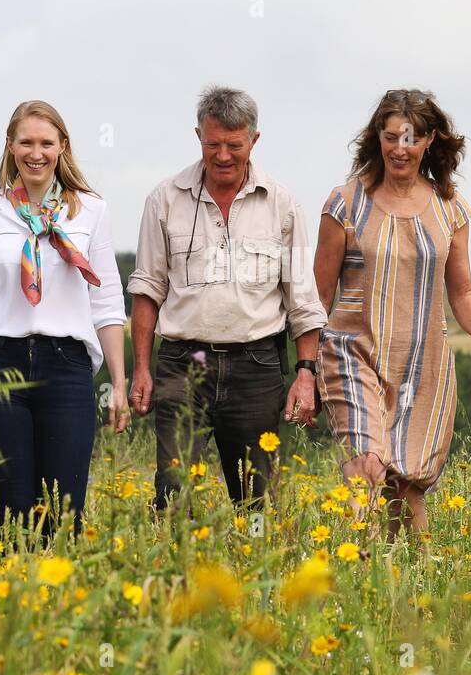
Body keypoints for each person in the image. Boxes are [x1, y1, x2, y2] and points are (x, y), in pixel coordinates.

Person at [312, 89, 471, 538]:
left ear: (429, 140)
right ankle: (353, 573)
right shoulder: (344, 204)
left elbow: (462, 291)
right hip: (351, 353)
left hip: (424, 362)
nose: (400, 148)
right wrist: (305, 372)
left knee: (406, 487)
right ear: (376, 138)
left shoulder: (450, 208)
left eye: (411, 138)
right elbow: (318, 298)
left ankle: (415, 589)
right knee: (366, 467)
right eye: (391, 137)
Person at [128, 85, 327, 511]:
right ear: (197, 135)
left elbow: (303, 302)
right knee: (173, 489)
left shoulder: (283, 205)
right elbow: (147, 290)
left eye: (233, 145)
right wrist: (140, 369)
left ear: (254, 140)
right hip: (181, 365)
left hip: (256, 368)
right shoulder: (163, 200)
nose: (221, 155)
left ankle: (254, 571)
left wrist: (306, 374)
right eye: (212, 143)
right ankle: (174, 570)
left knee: (255, 497)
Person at [0, 100, 130, 547]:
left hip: (66, 367)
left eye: (46, 142)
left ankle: (58, 602)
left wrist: (119, 383)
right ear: (10, 147)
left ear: (63, 148)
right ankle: (18, 606)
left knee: (66, 511)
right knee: (14, 510)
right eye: (25, 142)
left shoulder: (90, 212)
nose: (36, 152)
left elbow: (106, 300)